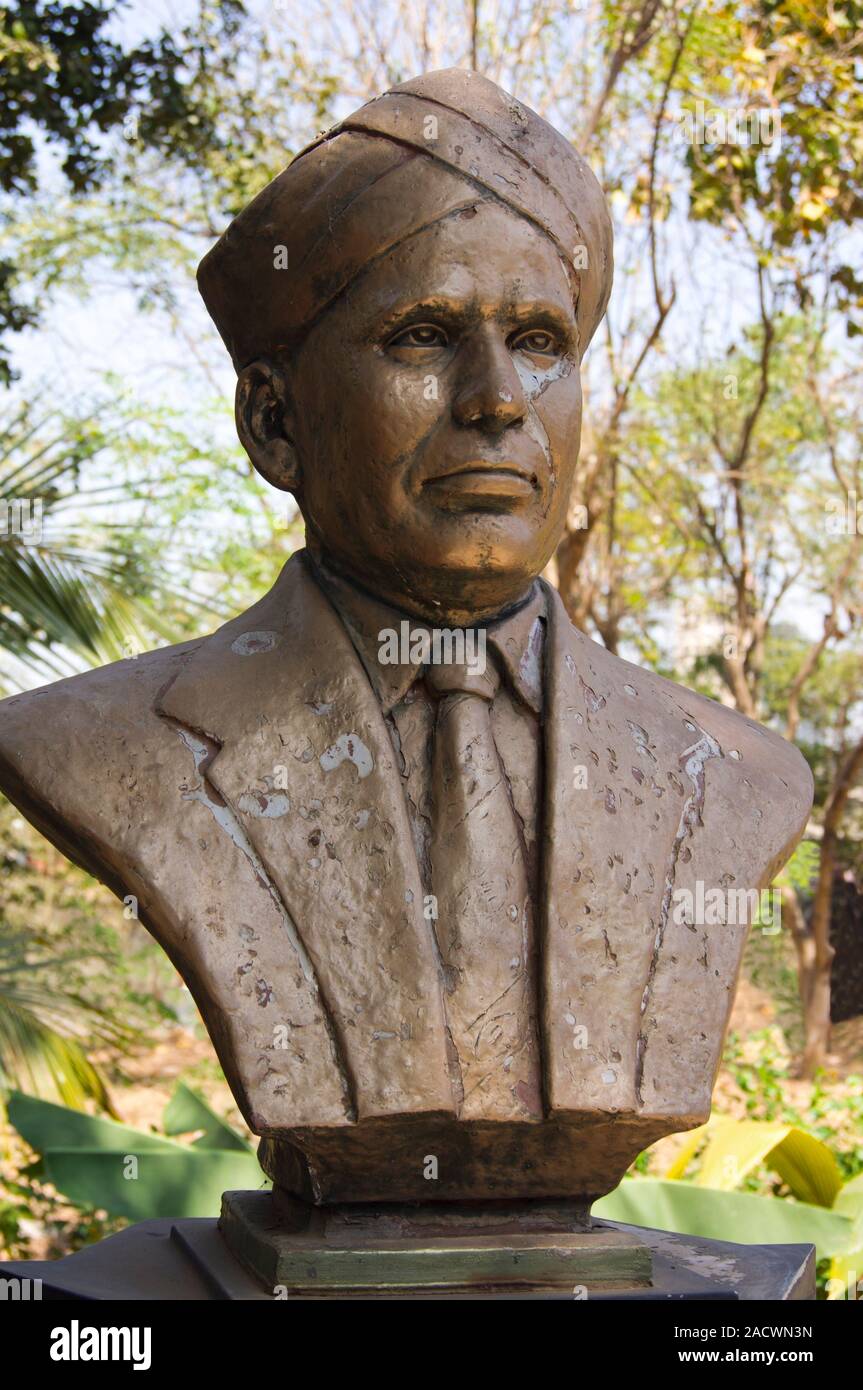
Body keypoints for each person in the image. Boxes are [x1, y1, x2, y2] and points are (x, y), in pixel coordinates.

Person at [0, 70, 812, 1204]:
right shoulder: (95, 745)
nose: (496, 400)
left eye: (539, 340)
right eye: (424, 336)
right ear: (274, 424)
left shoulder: (737, 779)